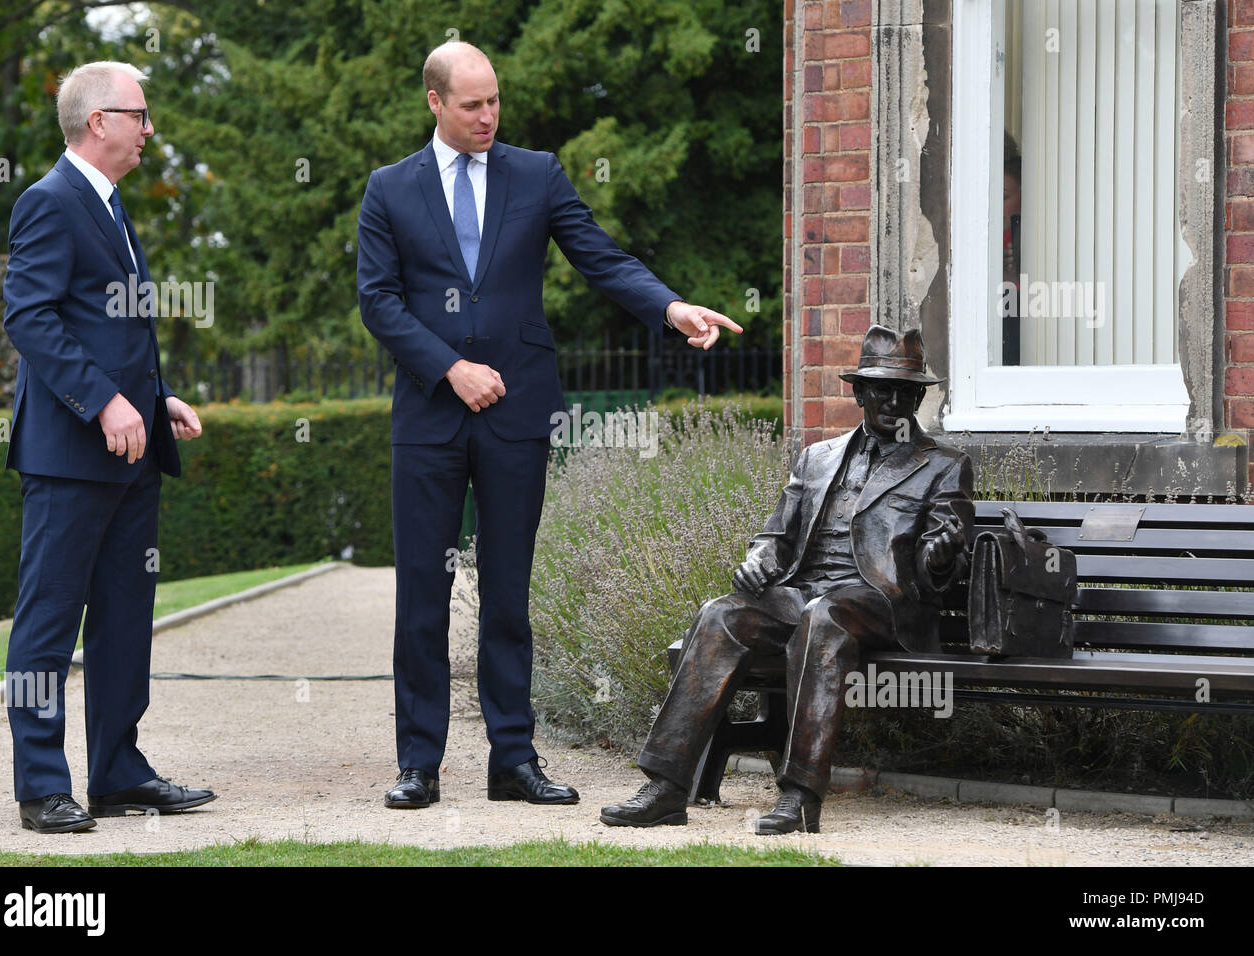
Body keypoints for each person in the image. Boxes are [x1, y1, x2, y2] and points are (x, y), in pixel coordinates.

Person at [357, 41, 742, 809]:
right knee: (422, 598)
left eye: (494, 100)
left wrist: (670, 306)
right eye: (471, 105)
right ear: (434, 102)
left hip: (518, 414)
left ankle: (514, 761)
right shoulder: (388, 190)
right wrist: (450, 369)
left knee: (508, 593)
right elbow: (379, 302)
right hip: (429, 420)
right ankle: (418, 766)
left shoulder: (537, 174)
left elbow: (600, 257)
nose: (488, 116)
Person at [601, 325, 973, 834]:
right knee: (721, 614)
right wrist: (758, 559)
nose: (894, 400)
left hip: (883, 603)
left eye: (906, 391)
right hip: (804, 595)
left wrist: (942, 551)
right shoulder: (816, 458)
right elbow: (776, 537)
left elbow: (939, 573)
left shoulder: (944, 465)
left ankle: (799, 796)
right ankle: (666, 787)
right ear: (859, 392)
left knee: (826, 617)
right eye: (882, 388)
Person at [1, 61, 213, 833]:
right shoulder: (49, 202)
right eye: (141, 114)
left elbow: (104, 326)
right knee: (47, 625)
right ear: (100, 121)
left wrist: (154, 401)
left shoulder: (113, 207)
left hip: (132, 452)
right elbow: (30, 318)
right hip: (68, 457)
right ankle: (40, 787)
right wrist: (105, 402)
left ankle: (118, 774)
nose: (149, 129)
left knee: (125, 619)